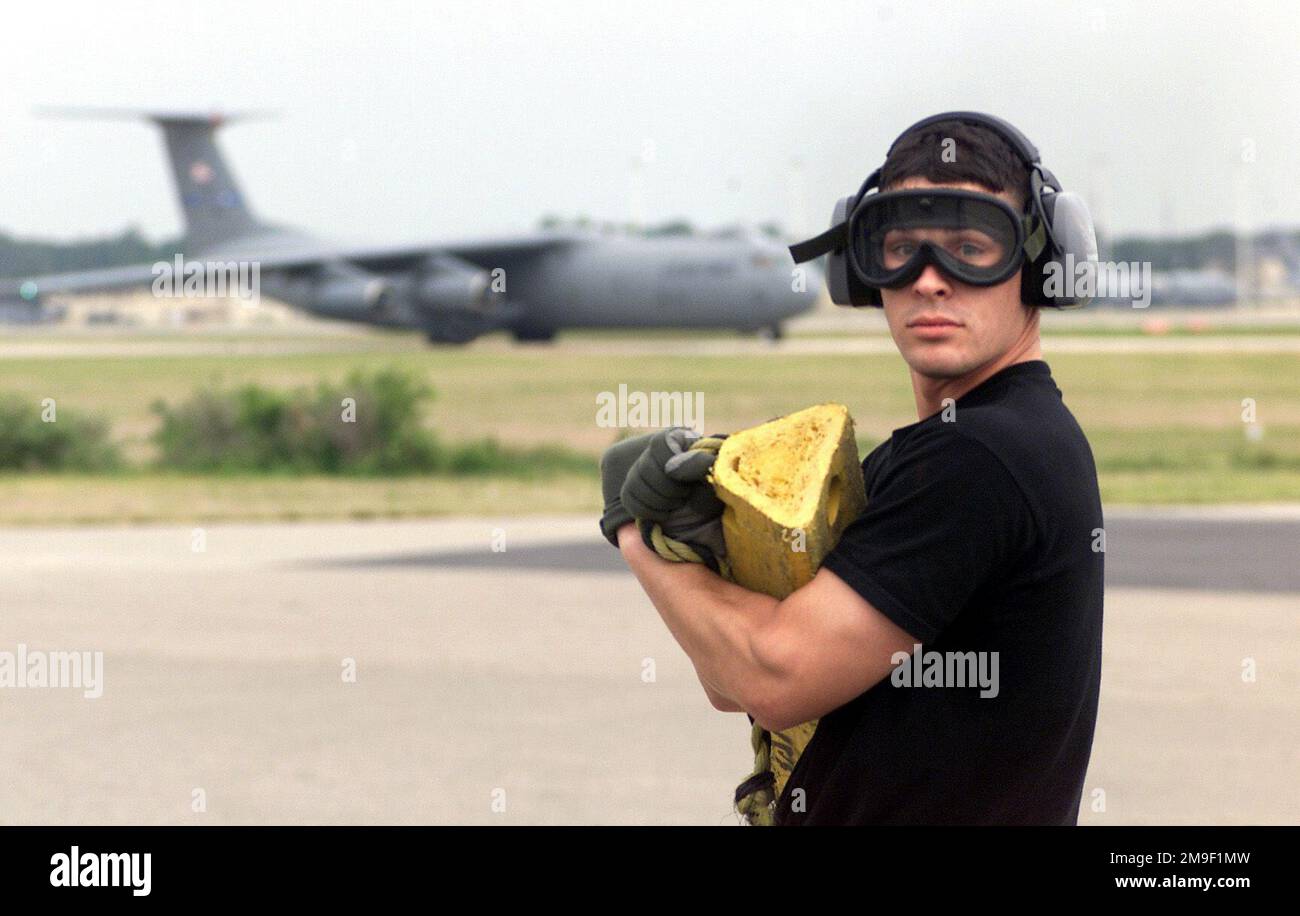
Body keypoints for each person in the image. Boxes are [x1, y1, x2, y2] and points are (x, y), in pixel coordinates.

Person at [599, 112, 1104, 825]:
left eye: (971, 246)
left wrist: (636, 534)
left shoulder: (978, 458)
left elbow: (774, 675)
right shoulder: (970, 446)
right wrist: (705, 550)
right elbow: (732, 680)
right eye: (899, 248)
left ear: (1041, 262)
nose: (929, 280)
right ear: (859, 271)